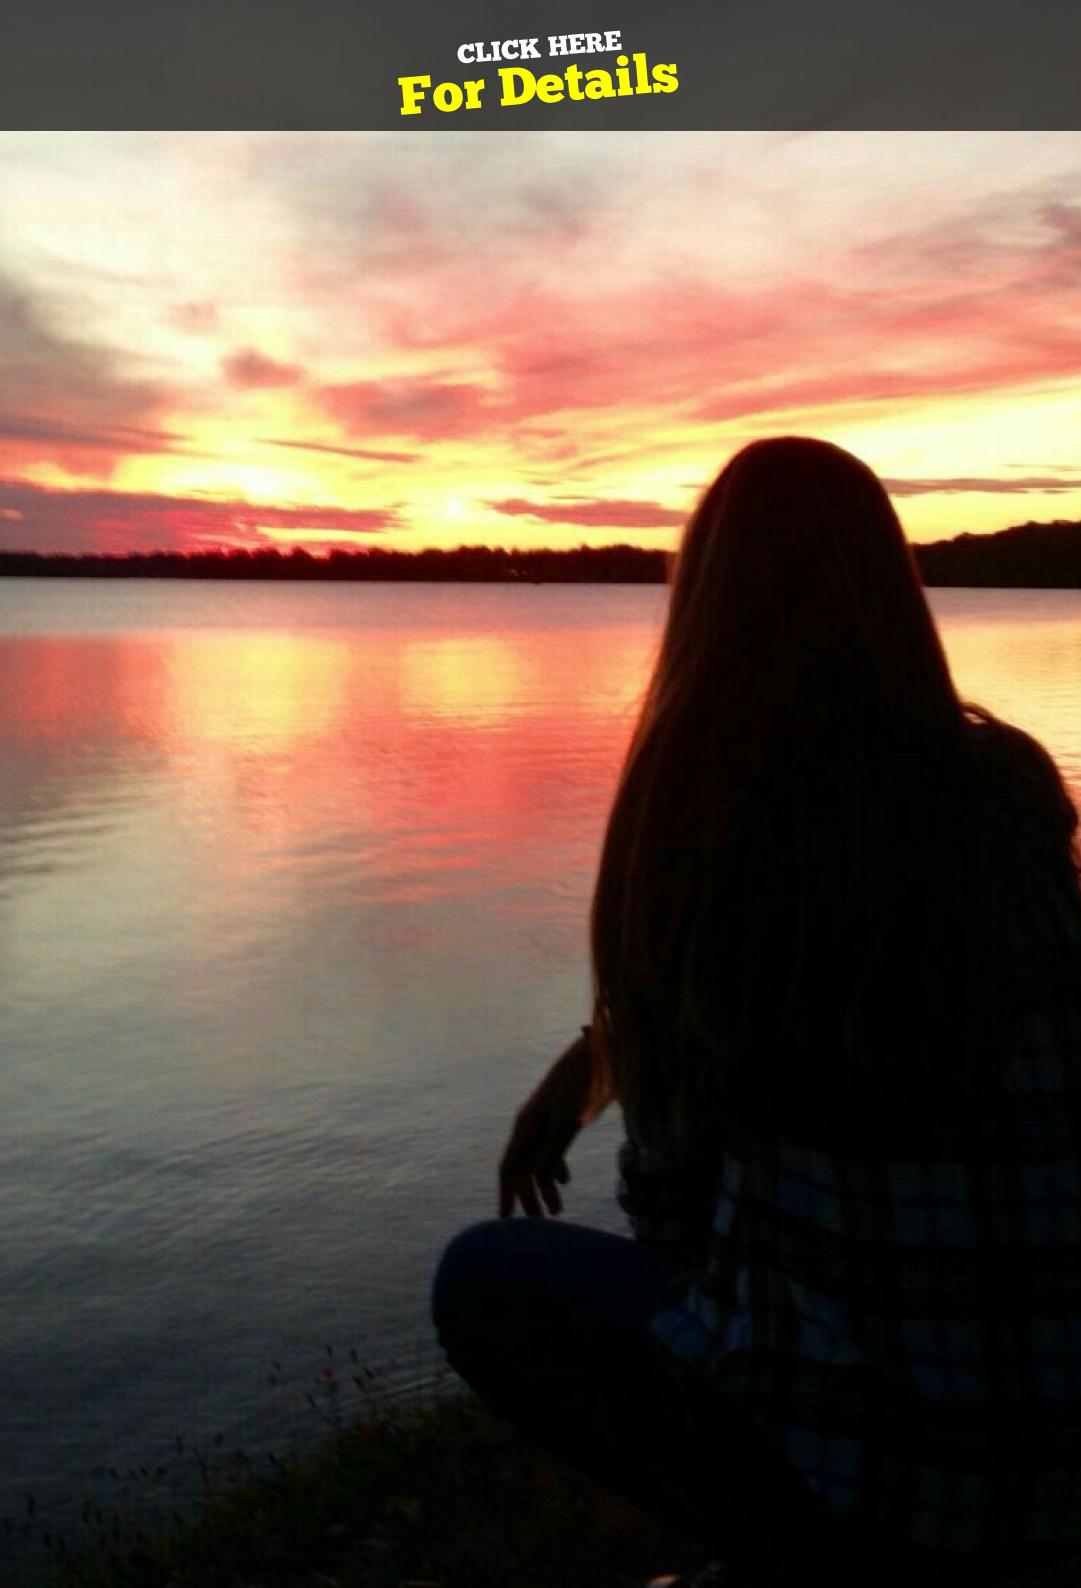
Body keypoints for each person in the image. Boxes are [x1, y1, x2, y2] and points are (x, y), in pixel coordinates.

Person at [431, 437, 1081, 1587]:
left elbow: (675, 1222)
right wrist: (598, 1057)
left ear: (707, 603)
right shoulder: (1011, 792)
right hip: (1062, 1454)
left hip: (897, 1497)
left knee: (485, 1280)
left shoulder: (710, 827)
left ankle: (785, 1549)